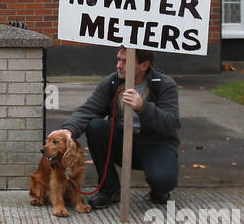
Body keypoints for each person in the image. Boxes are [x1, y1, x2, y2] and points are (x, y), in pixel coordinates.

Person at [46, 46, 180, 209]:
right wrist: (68, 130)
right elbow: (89, 109)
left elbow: (170, 123)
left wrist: (143, 107)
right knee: (96, 126)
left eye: (125, 61)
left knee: (163, 178)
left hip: (155, 144)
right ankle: (109, 190)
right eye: (118, 59)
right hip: (122, 142)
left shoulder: (164, 84)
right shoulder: (112, 82)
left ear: (144, 65)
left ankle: (159, 191)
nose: (118, 65)